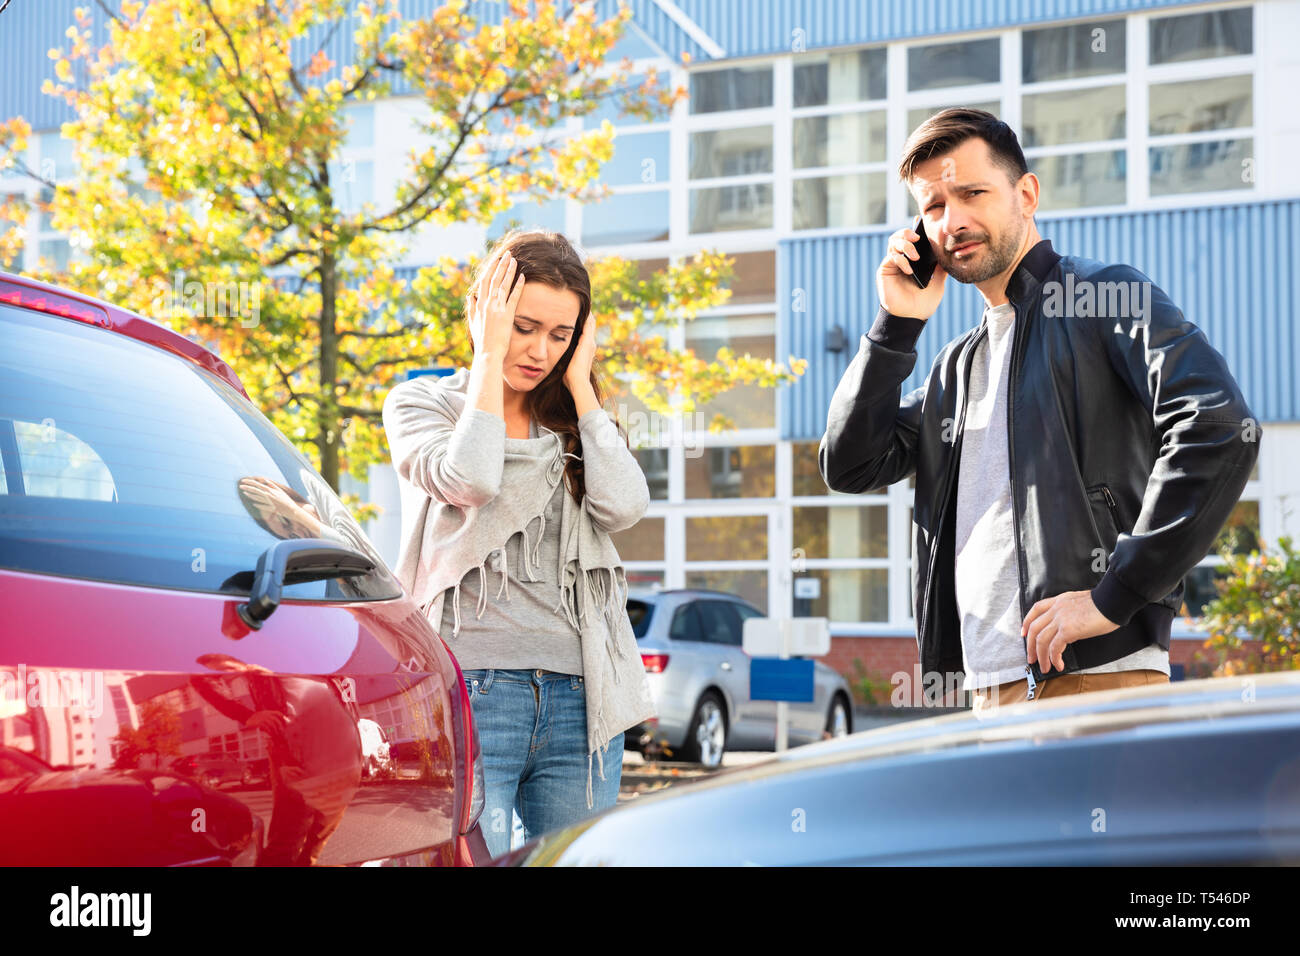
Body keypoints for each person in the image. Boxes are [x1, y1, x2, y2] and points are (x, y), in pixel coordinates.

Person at [820, 108, 1260, 712]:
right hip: (982, 692)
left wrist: (1116, 593)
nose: (955, 220)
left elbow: (1216, 425)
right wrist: (895, 326)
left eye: (973, 192)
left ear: (1026, 193)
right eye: (934, 206)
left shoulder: (1101, 296)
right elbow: (849, 464)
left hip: (1093, 680)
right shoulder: (957, 368)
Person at [381, 228, 655, 857]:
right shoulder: (424, 403)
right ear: (485, 311)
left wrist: (583, 388)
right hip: (472, 693)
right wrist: (486, 359)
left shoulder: (577, 423)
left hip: (581, 699)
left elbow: (625, 506)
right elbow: (469, 479)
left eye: (560, 336)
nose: (539, 351)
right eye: (524, 326)